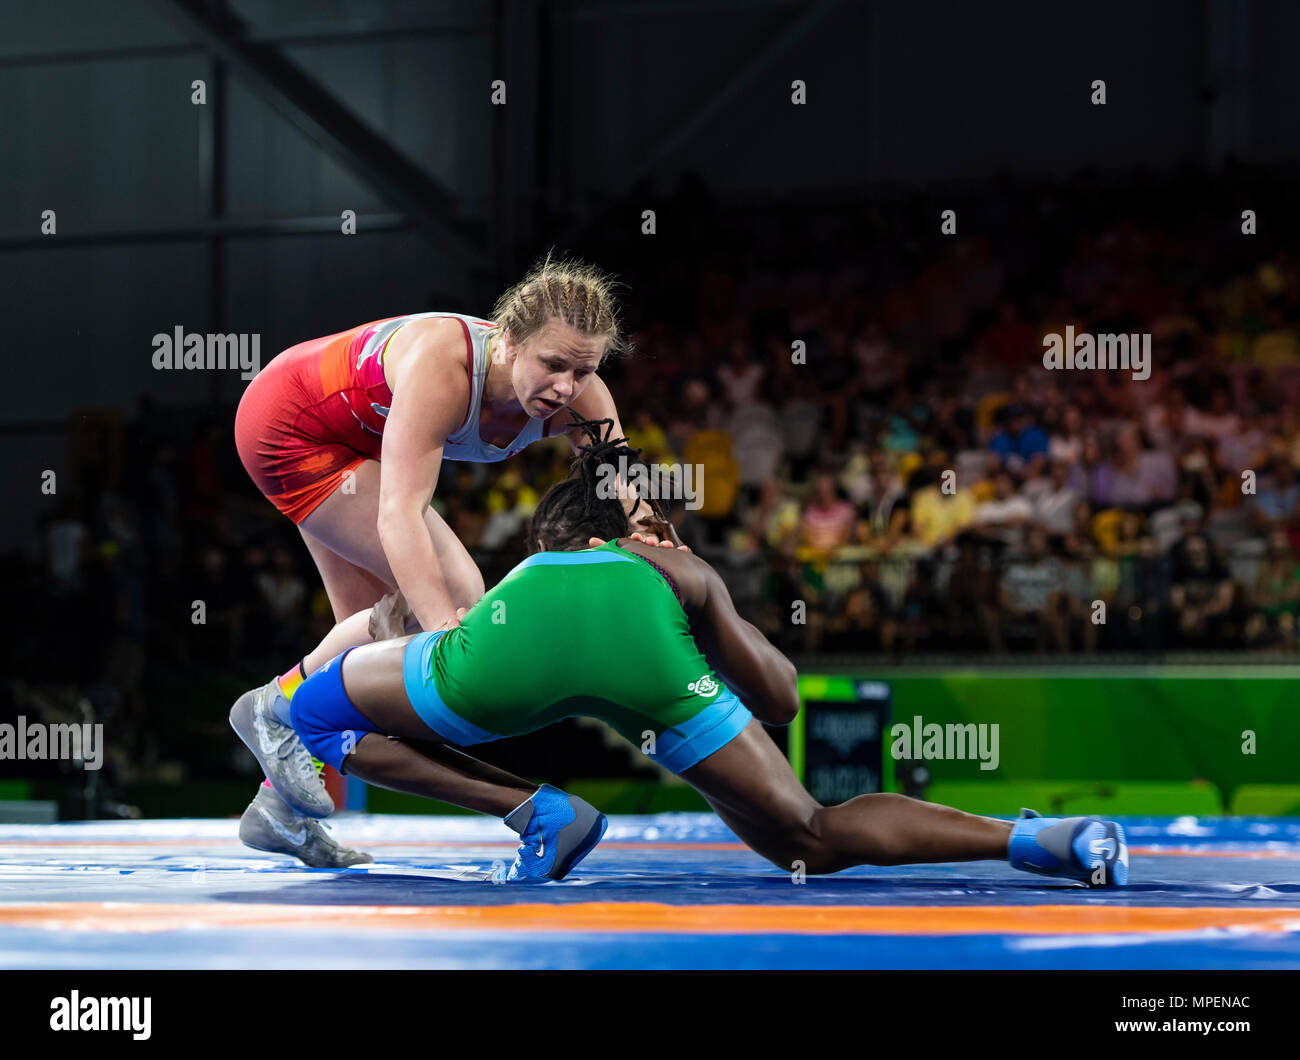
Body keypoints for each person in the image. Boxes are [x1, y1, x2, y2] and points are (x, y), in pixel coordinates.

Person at [232, 417, 1128, 887]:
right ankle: (1037, 839)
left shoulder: (548, 558)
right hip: (652, 653)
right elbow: (782, 698)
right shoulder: (681, 572)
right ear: (644, 533)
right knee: (805, 838)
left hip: (512, 643)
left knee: (305, 713)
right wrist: (703, 609)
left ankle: (535, 812)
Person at [230, 255, 662, 867]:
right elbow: (399, 514)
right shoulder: (445, 366)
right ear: (508, 341)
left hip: (352, 439)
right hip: (292, 425)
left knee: (363, 663)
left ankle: (280, 811)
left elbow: (619, 481)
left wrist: (653, 531)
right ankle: (272, 707)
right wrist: (444, 630)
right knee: (456, 591)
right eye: (553, 365)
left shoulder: (582, 397)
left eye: (583, 370)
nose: (567, 387)